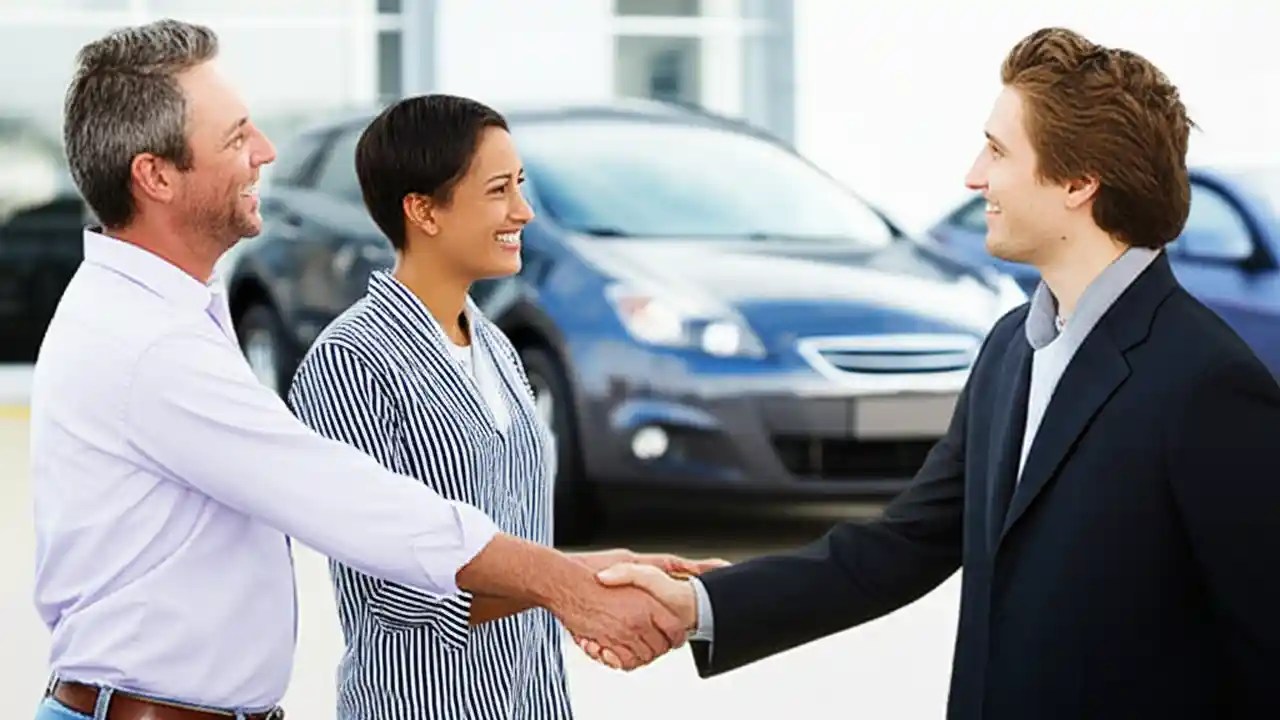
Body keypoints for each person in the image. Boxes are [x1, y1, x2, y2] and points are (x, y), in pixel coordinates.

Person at [586, 27, 1280, 719]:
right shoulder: (1011, 348)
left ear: (1079, 182)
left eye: (999, 150)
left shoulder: (1209, 385)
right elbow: (904, 544)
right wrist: (700, 606)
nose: (974, 175)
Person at [31, 19, 690, 720]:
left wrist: (579, 574)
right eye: (235, 138)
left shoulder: (162, 314)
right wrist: (566, 586)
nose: (266, 151)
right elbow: (352, 505)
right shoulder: (151, 344)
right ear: (155, 175)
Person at [285, 94, 723, 720]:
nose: (524, 211)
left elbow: (513, 544)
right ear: (422, 211)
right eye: (498, 191)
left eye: (520, 185)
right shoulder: (350, 363)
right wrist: (566, 586)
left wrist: (599, 575)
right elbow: (396, 589)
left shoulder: (495, 346)